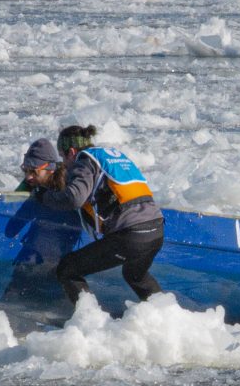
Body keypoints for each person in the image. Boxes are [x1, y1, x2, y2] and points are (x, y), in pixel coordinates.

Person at [24, 126, 165, 306]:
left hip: (130, 235)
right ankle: (168, 316)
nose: (65, 165)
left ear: (72, 152)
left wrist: (43, 197)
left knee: (68, 269)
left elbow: (74, 198)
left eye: (63, 156)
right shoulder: (111, 156)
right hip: (156, 230)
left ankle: (90, 322)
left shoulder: (84, 160)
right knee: (135, 276)